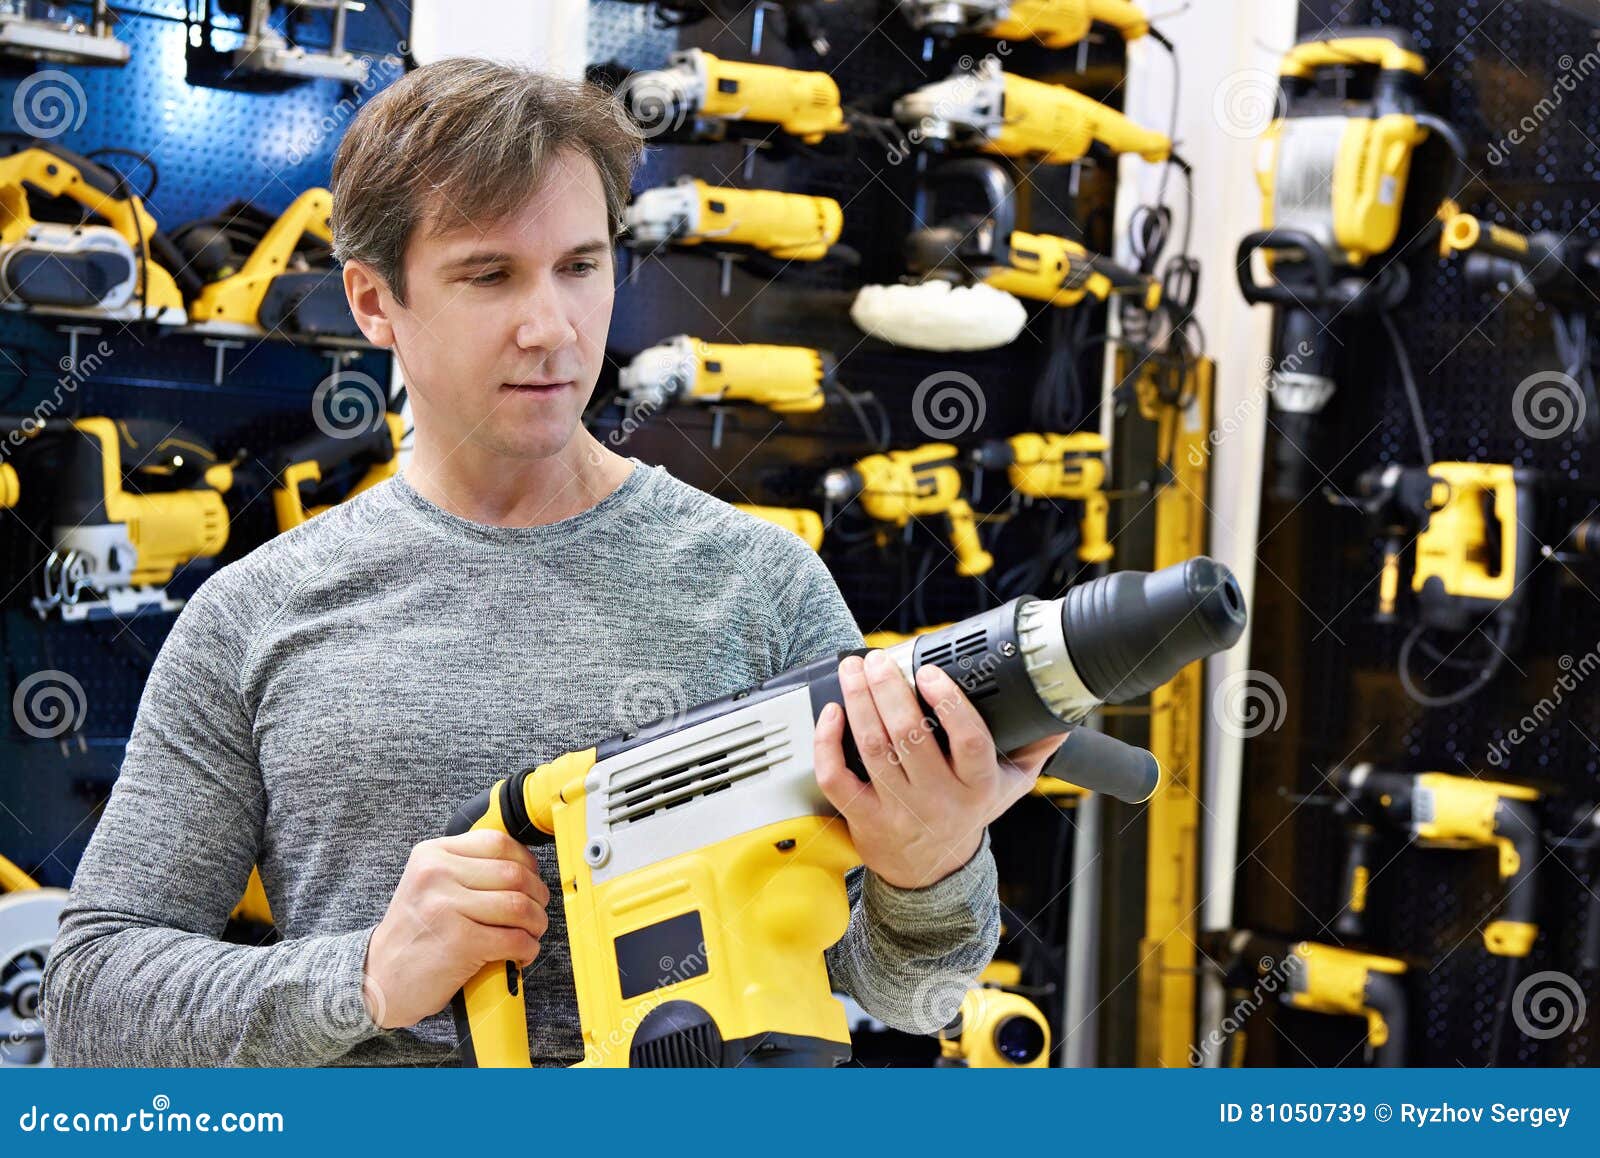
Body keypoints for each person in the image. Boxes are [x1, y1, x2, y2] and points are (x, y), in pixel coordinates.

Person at [41, 59, 1063, 1067]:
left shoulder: (759, 584)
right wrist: (363, 975)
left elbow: (913, 994)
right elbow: (92, 1003)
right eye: (489, 275)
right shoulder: (252, 616)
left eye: (580, 266)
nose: (552, 329)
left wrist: (929, 865)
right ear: (372, 301)